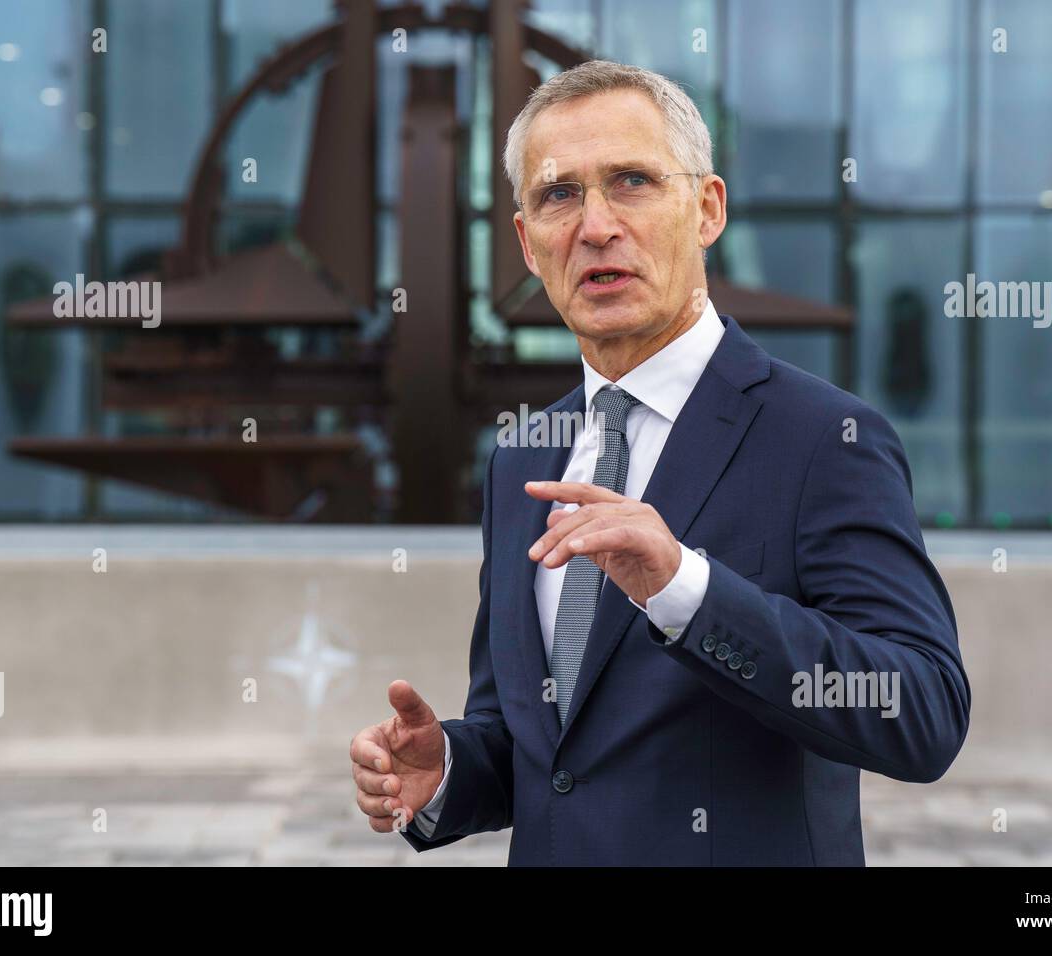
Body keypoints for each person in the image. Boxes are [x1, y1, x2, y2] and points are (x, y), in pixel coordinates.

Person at [350, 59, 970, 866]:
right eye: (559, 195)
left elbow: (920, 712)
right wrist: (445, 775)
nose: (596, 225)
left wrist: (684, 587)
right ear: (527, 246)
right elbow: (546, 748)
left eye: (633, 181)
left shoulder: (825, 440)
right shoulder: (520, 459)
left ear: (708, 209)